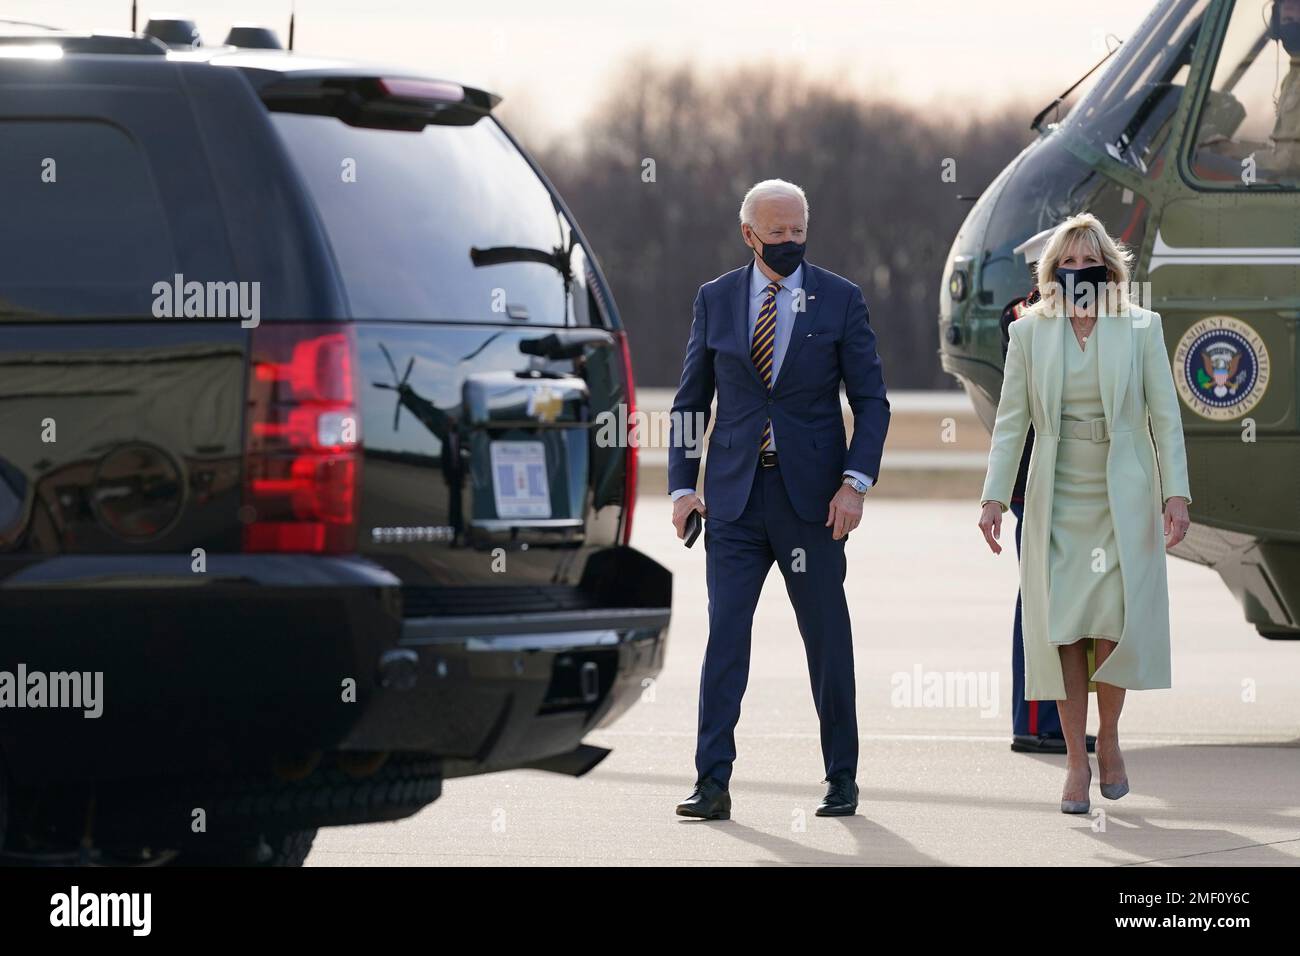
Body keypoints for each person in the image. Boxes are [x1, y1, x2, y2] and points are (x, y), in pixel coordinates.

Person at [668, 179, 890, 820]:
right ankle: (712, 783)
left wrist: (856, 484)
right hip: (733, 503)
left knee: (826, 639)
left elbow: (871, 402)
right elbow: (690, 403)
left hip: (813, 504)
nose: (790, 241)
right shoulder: (714, 299)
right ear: (749, 234)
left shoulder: (841, 299)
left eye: (799, 230)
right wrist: (683, 487)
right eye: (778, 232)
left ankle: (841, 779)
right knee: (725, 640)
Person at [977, 213, 1191, 814]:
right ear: (1050, 271)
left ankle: (1112, 739)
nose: (1077, 272)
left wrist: (1177, 493)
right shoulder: (1029, 333)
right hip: (1058, 492)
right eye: (1065, 263)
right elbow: (1011, 422)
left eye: (1086, 262)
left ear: (1107, 268)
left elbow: (1165, 418)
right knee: (1064, 629)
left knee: (1110, 626)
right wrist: (994, 497)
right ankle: (1075, 760)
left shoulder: (1141, 327)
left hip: (1120, 489)